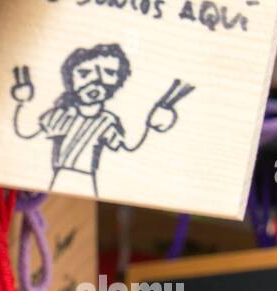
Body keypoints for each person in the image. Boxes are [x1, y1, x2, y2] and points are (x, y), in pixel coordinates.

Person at [11, 44, 193, 195]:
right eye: (84, 74)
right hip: (58, 176)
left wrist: (151, 125)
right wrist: (22, 102)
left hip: (85, 179)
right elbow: (25, 133)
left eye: (108, 73)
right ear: (70, 79)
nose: (96, 81)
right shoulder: (62, 113)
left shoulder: (107, 122)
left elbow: (129, 149)